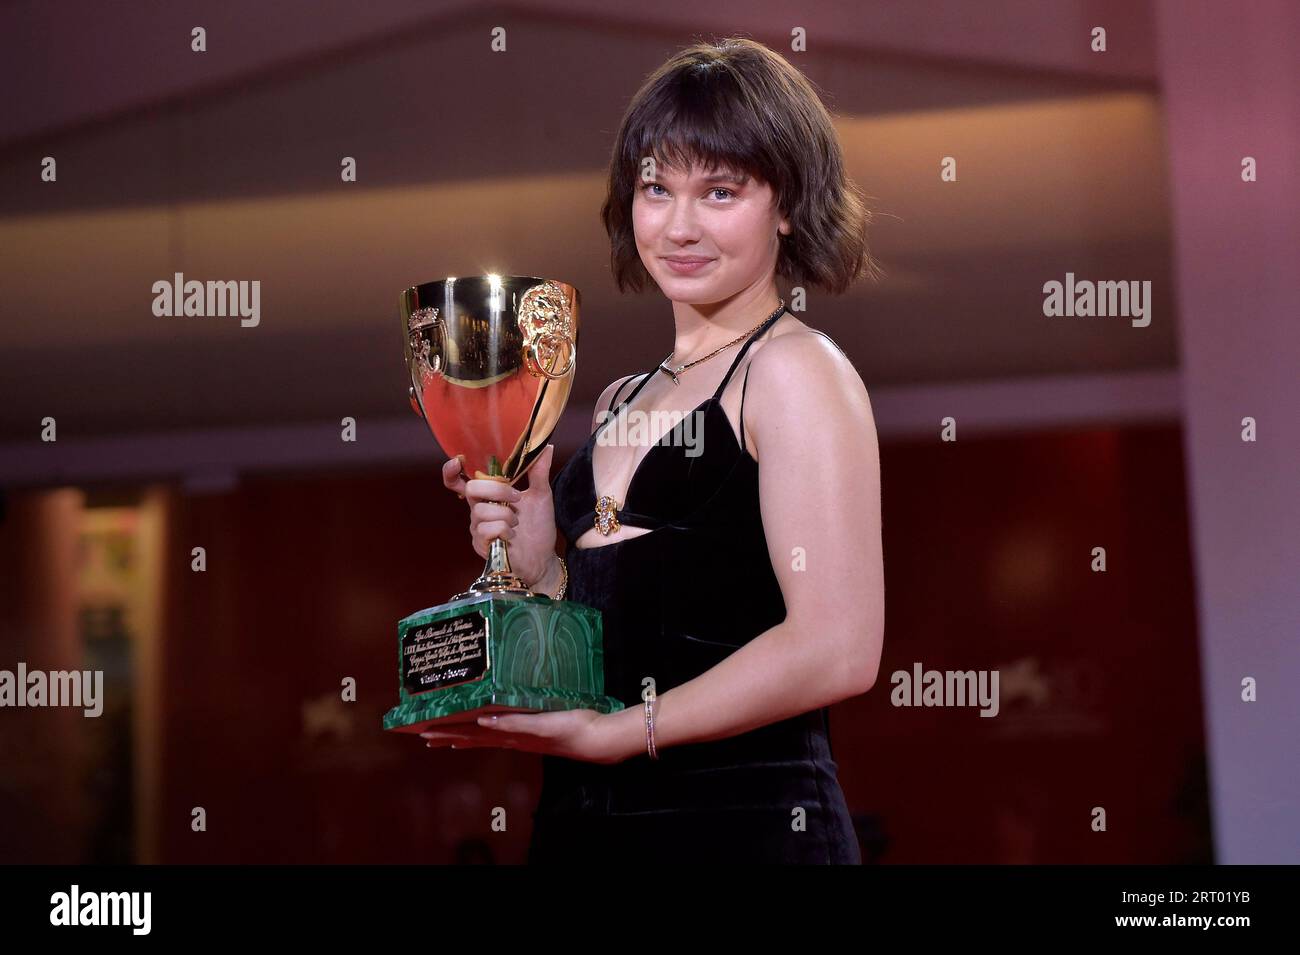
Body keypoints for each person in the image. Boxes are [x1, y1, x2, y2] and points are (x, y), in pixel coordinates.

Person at [431, 36, 885, 864]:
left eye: (719, 191)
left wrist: (622, 732)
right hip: (584, 824)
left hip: (745, 824)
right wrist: (538, 570)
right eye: (655, 189)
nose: (679, 225)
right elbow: (628, 632)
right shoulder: (618, 401)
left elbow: (840, 647)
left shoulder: (793, 371)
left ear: (785, 203)